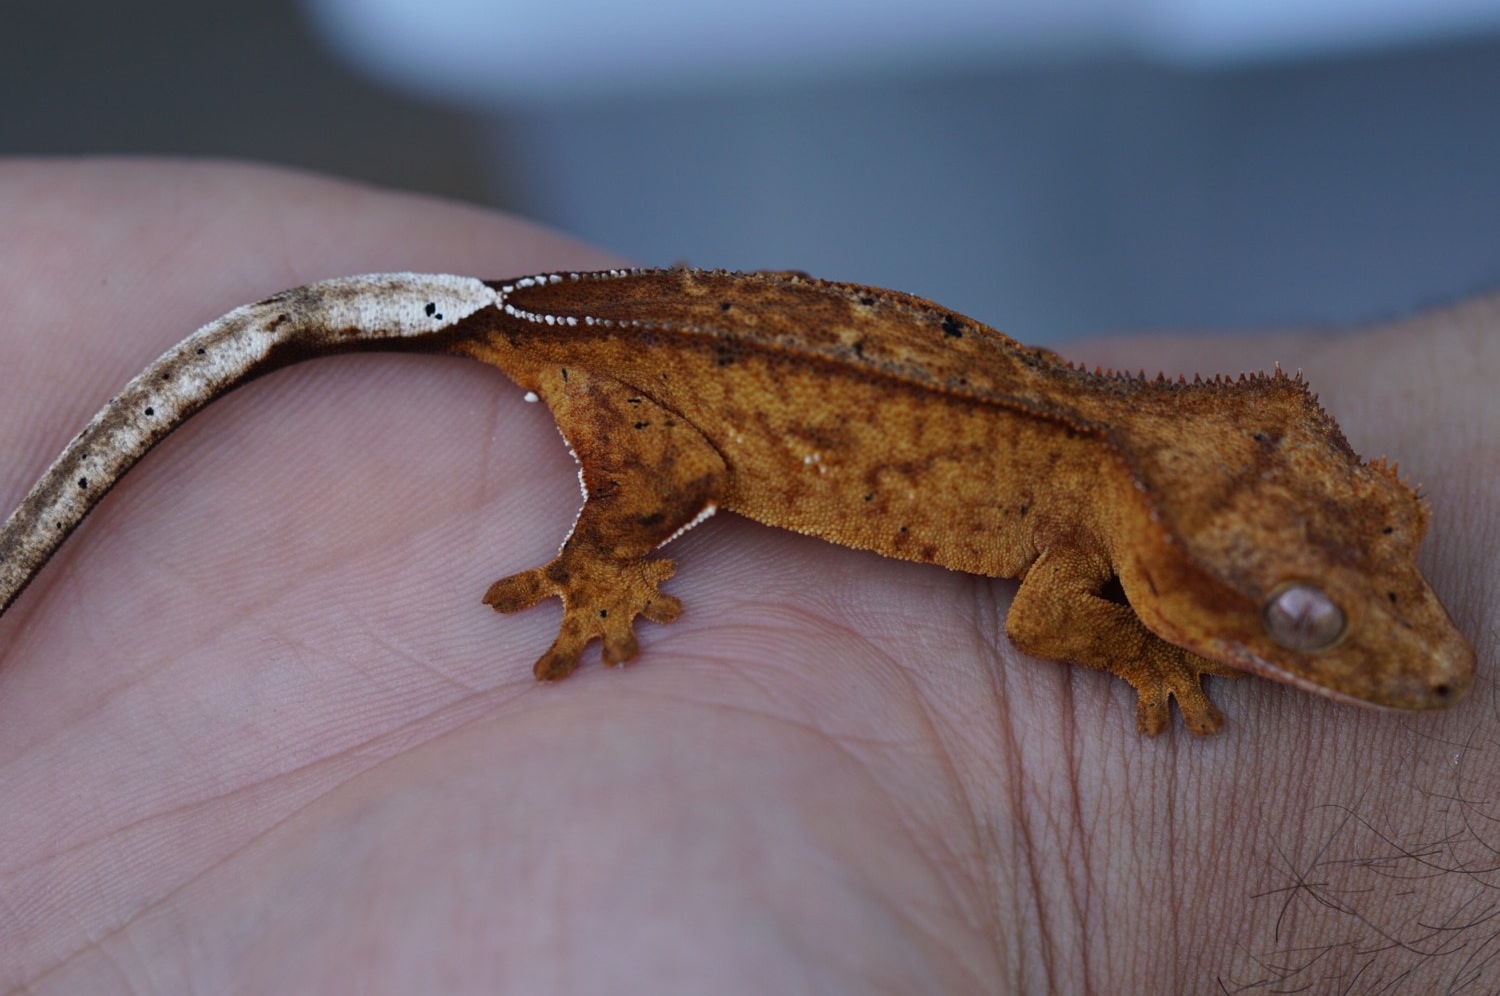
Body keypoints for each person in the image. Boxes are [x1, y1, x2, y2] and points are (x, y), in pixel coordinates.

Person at [0, 159, 1492, 993]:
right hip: (649, 360)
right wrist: (1153, 652)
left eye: (1357, 604)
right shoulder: (1106, 529)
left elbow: (1274, 428)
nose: (1427, 657)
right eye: (1312, 622)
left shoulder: (1154, 471)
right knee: (667, 479)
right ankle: (602, 555)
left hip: (720, 299)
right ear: (1194, 577)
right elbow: (1050, 622)